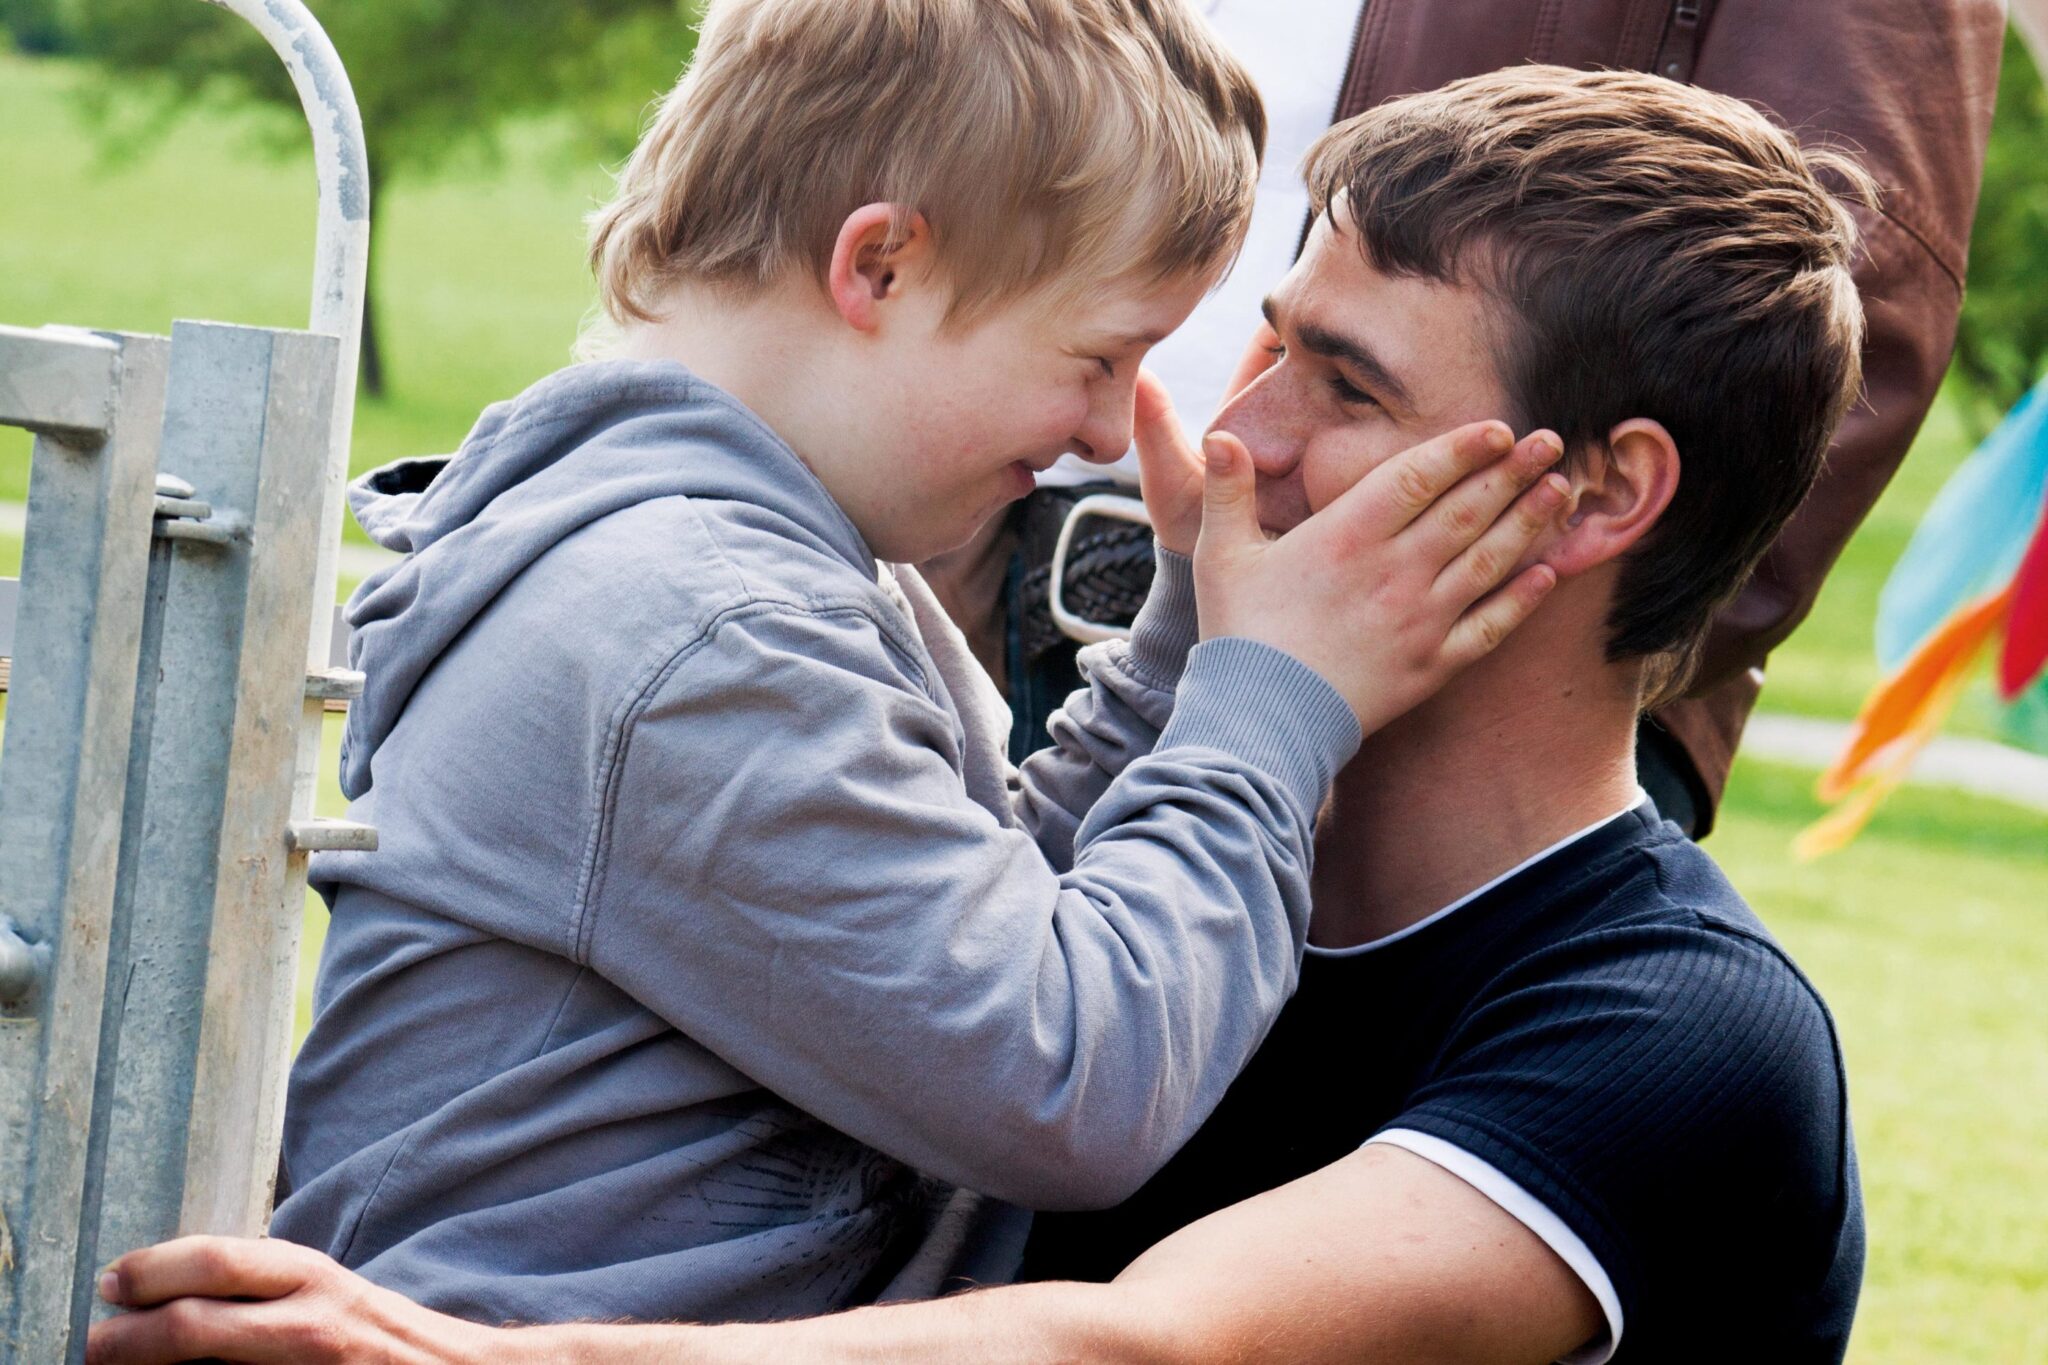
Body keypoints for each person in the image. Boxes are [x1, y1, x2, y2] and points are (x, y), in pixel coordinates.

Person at [92, 65, 1873, 1363]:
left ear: (1594, 498)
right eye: (1261, 347)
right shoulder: (1178, 875)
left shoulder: (1676, 1040)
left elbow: (1136, 1348)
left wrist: (465, 1360)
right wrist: (1204, 657)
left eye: (1341, 384)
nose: (1221, 440)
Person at [250, 0, 1563, 1335]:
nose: (1104, 429)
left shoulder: (752, 571)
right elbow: (1070, 1081)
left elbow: (986, 925)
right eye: (1097, 355)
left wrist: (1192, 636)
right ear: (878, 267)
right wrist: (1276, 701)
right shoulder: (707, 636)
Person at [948, 0, 2004, 837]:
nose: (1240, 438)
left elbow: (1847, 288)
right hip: (1021, 572)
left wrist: (1469, 679)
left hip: (1420, 682)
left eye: (1345, 382)